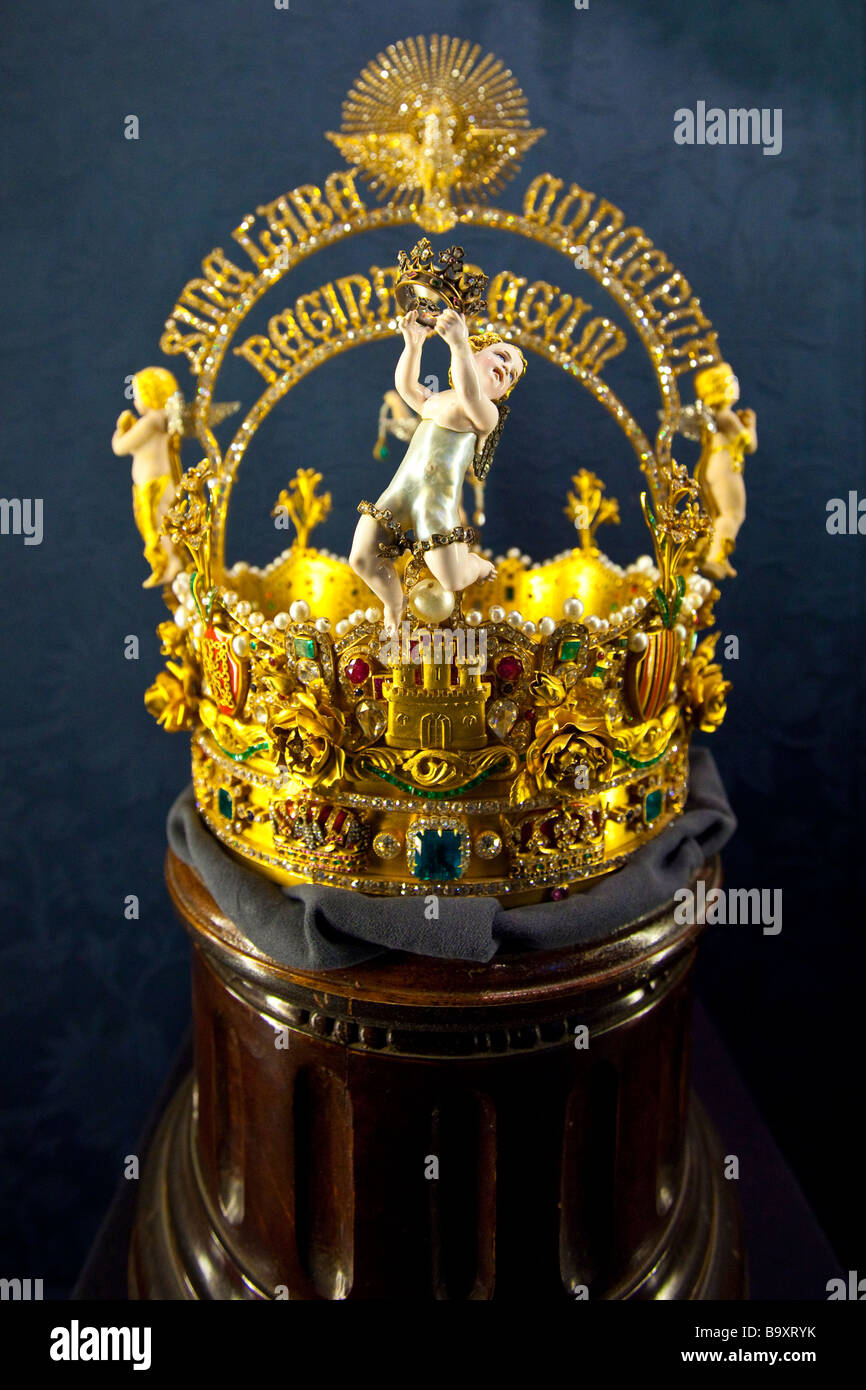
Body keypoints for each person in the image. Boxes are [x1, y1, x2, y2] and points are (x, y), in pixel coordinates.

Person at [351, 307, 526, 636]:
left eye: (512, 374)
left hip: (437, 503)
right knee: (361, 558)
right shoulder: (437, 400)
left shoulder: (486, 414)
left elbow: (471, 391)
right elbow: (406, 387)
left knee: (452, 578)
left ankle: (476, 565)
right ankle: (394, 603)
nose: (505, 368)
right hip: (400, 492)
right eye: (501, 356)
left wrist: (459, 344)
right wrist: (413, 343)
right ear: (476, 353)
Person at [112, 367, 184, 588]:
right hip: (158, 484)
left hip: (154, 486)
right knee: (159, 526)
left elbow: (120, 447)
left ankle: (172, 563)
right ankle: (171, 562)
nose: (135, 400)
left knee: (157, 528)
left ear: (150, 394)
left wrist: (120, 429)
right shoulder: (163, 419)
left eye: (137, 394)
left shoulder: (150, 422)